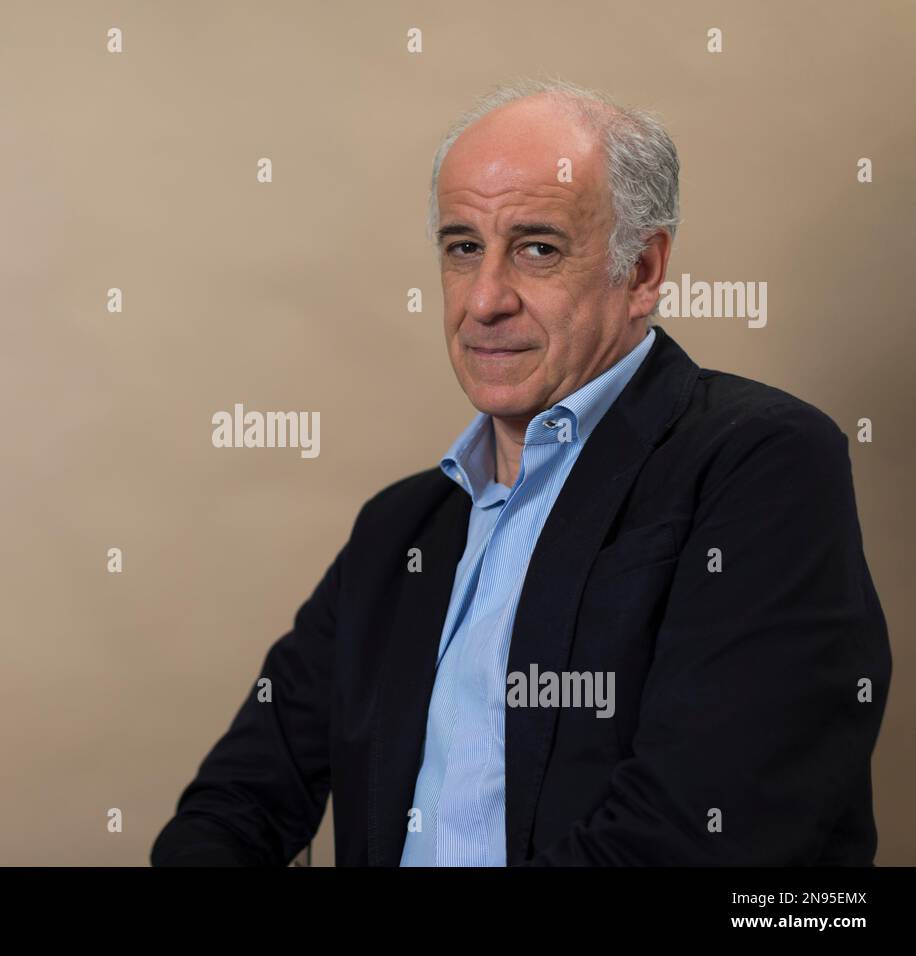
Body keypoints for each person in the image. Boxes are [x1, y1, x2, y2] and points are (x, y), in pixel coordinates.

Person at [151, 79, 891, 866]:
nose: (484, 300)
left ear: (642, 271)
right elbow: (235, 803)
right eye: (463, 247)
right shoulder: (401, 528)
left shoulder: (760, 463)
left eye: (538, 248)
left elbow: (701, 836)